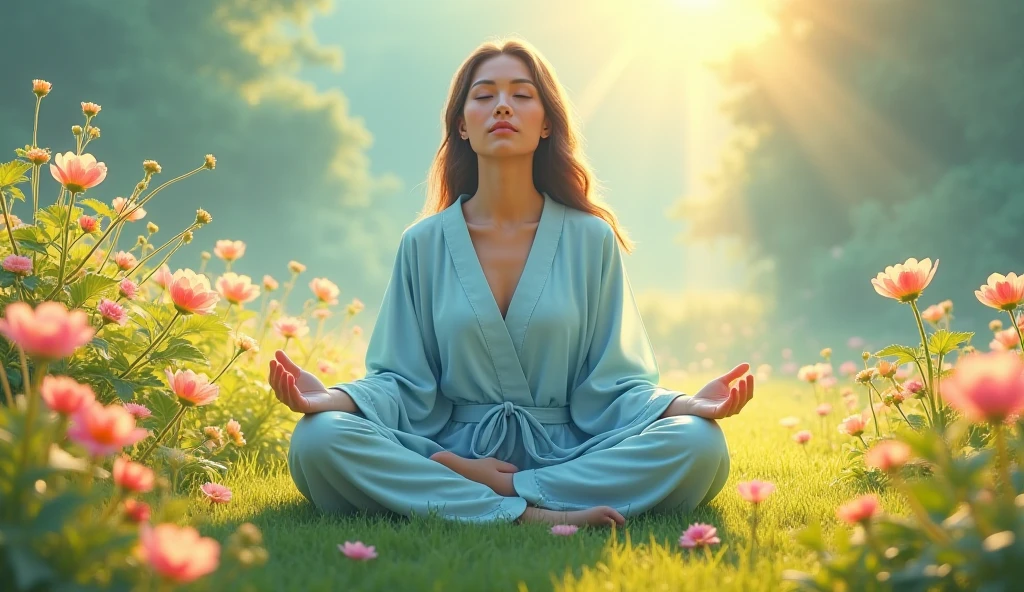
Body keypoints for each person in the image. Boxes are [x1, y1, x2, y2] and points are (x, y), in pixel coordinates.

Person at [270, 37, 754, 527]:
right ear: (462, 125)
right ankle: (525, 514)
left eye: (521, 95)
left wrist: (684, 404)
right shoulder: (423, 243)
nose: (502, 106)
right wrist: (332, 399)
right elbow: (402, 382)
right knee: (318, 438)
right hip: (455, 453)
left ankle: (508, 491)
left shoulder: (591, 239)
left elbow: (614, 384)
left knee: (698, 442)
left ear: (547, 123)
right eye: (484, 96)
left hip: (569, 454)